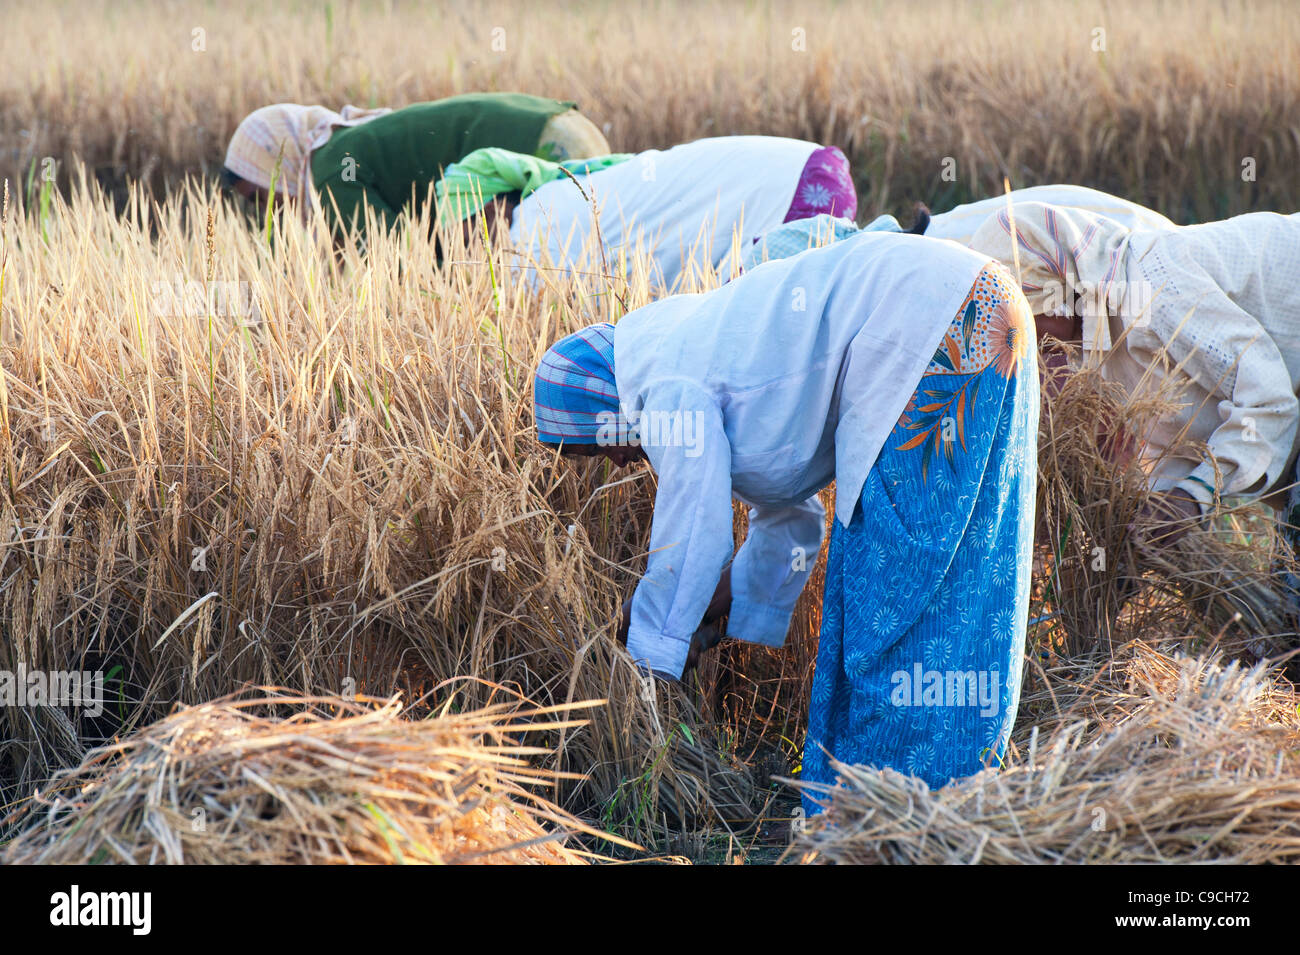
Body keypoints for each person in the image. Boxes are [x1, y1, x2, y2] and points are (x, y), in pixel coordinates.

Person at [531, 231, 1039, 800]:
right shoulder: (701, 347)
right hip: (986, 303)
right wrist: (710, 616)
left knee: (895, 587)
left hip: (932, 322)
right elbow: (791, 522)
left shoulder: (663, 383)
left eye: (595, 446)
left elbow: (692, 528)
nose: (618, 458)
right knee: (965, 558)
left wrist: (651, 651)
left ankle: (886, 808)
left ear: (597, 401)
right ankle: (953, 796)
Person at [967, 201, 1300, 550]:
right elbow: (1182, 431)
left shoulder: (1153, 285)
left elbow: (1268, 402)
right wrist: (1134, 538)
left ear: (1054, 279)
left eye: (1027, 317)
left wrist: (1190, 499)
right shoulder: (1098, 351)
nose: (1030, 348)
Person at [441, 136, 857, 291]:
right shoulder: (565, 191)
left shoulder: (530, 242)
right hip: (812, 168)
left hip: (788, 197)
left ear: (488, 208)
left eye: (460, 230)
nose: (465, 247)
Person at [221, 93, 610, 241]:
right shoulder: (348, 142)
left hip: (542, 148)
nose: (270, 212)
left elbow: (398, 254)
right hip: (564, 126)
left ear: (280, 162)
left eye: (263, 197)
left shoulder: (330, 170)